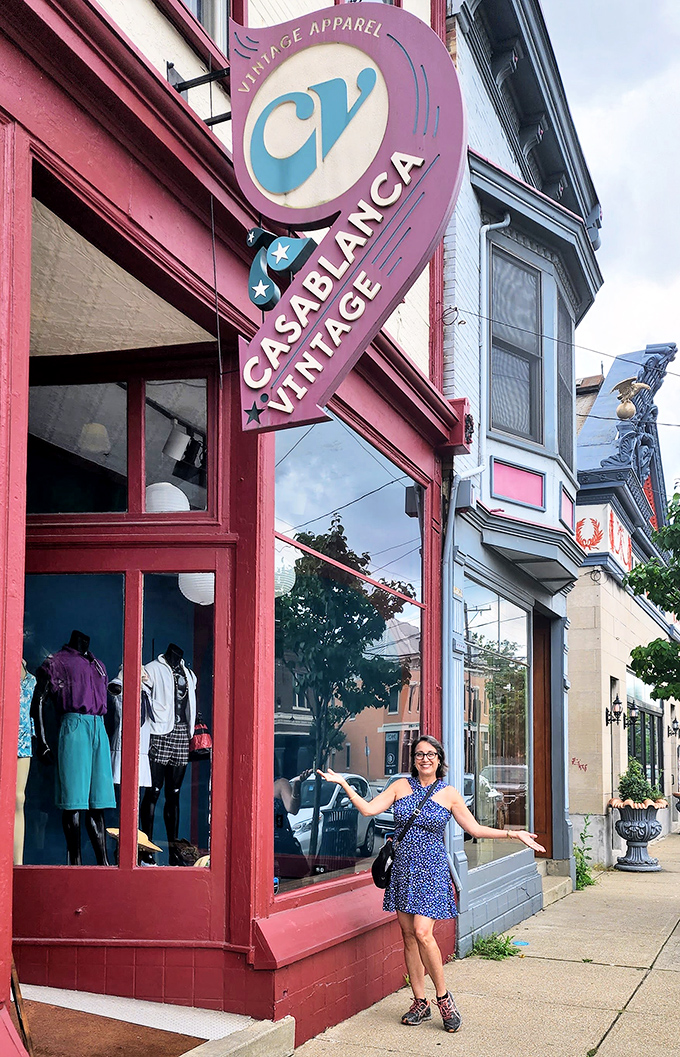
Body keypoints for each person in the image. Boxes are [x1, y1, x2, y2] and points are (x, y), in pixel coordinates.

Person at [317, 735, 545, 1033]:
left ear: (439, 759)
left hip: (432, 870)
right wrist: (344, 785)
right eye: (419, 754)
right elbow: (369, 810)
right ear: (413, 760)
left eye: (430, 754)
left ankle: (443, 997)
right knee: (408, 936)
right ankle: (420, 1001)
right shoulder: (400, 786)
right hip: (403, 870)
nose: (424, 759)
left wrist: (514, 834)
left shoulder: (449, 794)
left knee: (423, 933)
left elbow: (475, 829)